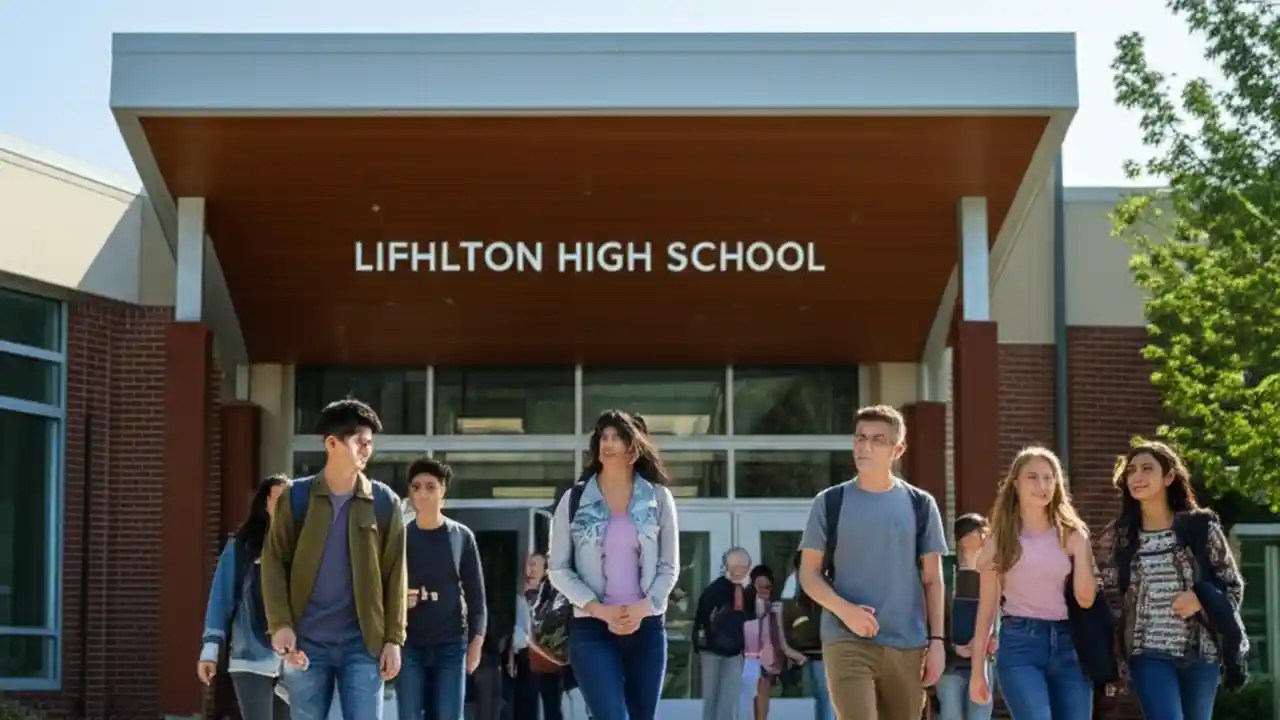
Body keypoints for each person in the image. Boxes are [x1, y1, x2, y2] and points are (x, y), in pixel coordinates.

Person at [797, 404, 948, 720]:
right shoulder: (829, 502)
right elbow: (809, 574)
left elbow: (933, 580)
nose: (865, 446)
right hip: (846, 640)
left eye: (878, 440)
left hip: (907, 645)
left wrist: (936, 642)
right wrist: (845, 610)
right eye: (860, 438)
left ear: (898, 449)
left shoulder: (921, 505)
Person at [261, 398, 407, 720]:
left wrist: (394, 639)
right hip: (308, 644)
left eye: (370, 444)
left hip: (363, 644)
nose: (367, 450)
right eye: (360, 443)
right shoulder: (296, 498)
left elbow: (396, 574)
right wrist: (281, 625)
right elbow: (273, 562)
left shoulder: (384, 502)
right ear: (331, 443)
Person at [1095, 440, 1247, 720]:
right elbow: (1106, 596)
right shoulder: (1119, 536)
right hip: (1148, 653)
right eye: (1131, 471)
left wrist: (1200, 600)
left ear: (1168, 477)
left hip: (1202, 653)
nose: (1137, 477)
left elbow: (1233, 587)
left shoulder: (1201, 527)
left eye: (1147, 469)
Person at [547, 409, 679, 720]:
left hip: (645, 626)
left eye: (617, 437)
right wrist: (598, 609)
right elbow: (558, 569)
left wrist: (644, 608)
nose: (608, 443)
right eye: (603, 437)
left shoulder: (658, 498)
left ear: (633, 449)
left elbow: (669, 566)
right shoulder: (575, 499)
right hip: (592, 627)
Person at [968, 446, 1095, 720]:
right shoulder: (1000, 540)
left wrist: (1082, 548)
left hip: (1069, 643)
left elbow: (1085, 599)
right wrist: (978, 672)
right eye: (1033, 477)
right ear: (1015, 484)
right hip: (1019, 644)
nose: (1042, 485)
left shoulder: (1071, 535)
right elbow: (987, 608)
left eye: (1049, 478)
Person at [396, 457, 487, 720]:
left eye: (430, 486)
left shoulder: (460, 537)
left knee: (448, 715)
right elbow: (385, 592)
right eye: (416, 487)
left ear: (443, 490)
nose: (422, 493)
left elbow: (477, 597)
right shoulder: (400, 538)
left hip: (450, 643)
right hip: (409, 642)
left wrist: (476, 644)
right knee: (409, 714)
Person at [198, 474, 292, 720]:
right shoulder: (243, 545)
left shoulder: (303, 547)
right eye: (278, 499)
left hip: (295, 661)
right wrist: (210, 649)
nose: (285, 507)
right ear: (265, 504)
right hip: (250, 657)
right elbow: (221, 596)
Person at [935, 514, 995, 720]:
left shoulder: (993, 573)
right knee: (951, 714)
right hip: (950, 664)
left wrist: (992, 640)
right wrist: (951, 646)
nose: (971, 540)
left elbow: (1001, 614)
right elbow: (934, 616)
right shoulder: (946, 572)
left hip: (983, 662)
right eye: (967, 534)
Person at [694, 547, 756, 720]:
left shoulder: (748, 592)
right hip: (711, 651)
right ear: (725, 565)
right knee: (711, 700)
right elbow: (701, 620)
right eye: (734, 566)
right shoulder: (714, 590)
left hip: (735, 653)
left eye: (743, 567)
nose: (739, 571)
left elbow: (751, 618)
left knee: (728, 701)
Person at [512, 552, 568, 720]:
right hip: (523, 658)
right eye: (529, 563)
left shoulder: (552, 597)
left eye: (536, 564)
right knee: (524, 704)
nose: (531, 568)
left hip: (547, 657)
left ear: (545, 571)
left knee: (552, 706)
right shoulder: (515, 595)